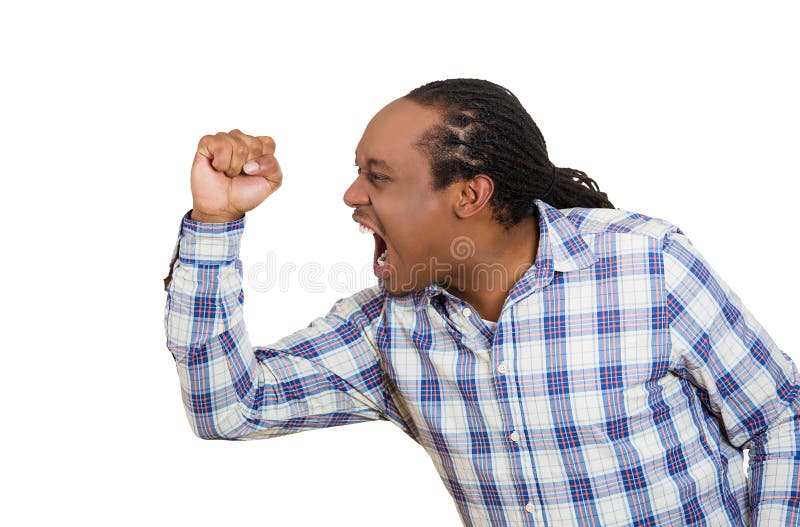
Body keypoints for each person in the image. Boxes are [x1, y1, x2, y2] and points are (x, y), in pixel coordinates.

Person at [163, 79, 799, 526]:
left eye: (378, 177)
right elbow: (229, 407)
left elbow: (779, 416)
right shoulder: (387, 331)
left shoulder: (645, 263)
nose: (352, 195)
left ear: (470, 196)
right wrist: (215, 220)